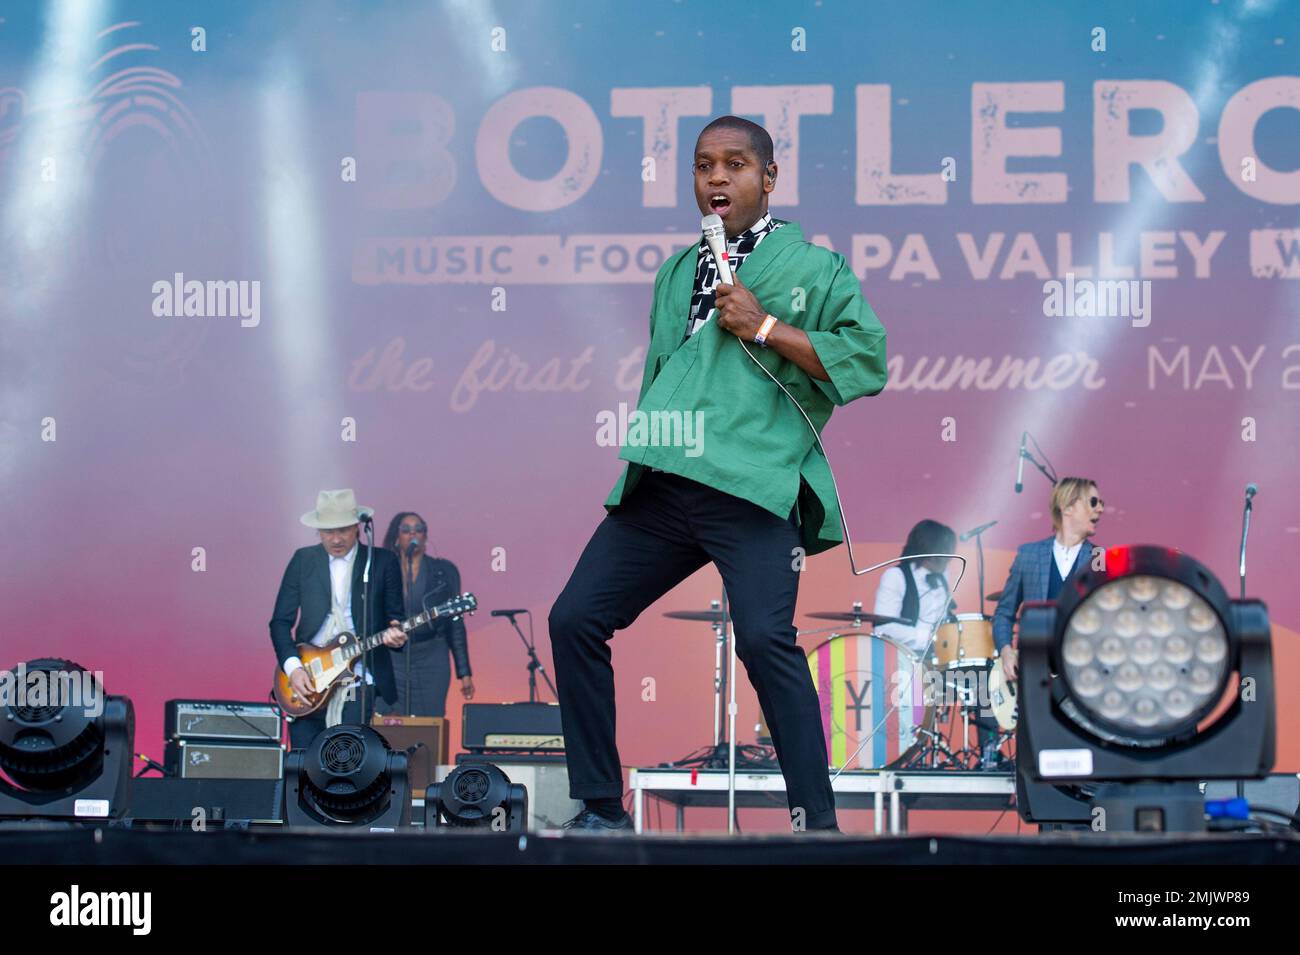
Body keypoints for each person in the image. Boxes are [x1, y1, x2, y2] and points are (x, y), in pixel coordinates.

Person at [548, 116, 888, 831]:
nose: (716, 179)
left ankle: (816, 823)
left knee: (766, 641)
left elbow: (868, 363)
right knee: (574, 617)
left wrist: (766, 326)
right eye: (704, 166)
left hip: (751, 487)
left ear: (768, 178)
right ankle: (603, 807)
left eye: (735, 165)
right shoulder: (678, 269)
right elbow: (661, 375)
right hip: (667, 482)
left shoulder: (816, 268)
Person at [269, 489, 407, 750]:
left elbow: (395, 619)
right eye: (328, 531)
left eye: (343, 530)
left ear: (357, 527)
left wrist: (396, 634)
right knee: (303, 759)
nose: (336, 538)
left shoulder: (381, 562)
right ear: (318, 531)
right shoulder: (303, 560)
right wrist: (293, 668)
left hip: (357, 674)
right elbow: (279, 622)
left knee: (347, 756)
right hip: (308, 674)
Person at [993, 477, 1105, 681]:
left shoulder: (1100, 558)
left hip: (1083, 677)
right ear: (1067, 507)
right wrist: (1006, 651)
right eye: (1093, 502)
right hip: (1034, 675)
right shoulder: (1029, 555)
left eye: (1101, 503)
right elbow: (1004, 612)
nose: (1100, 509)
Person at [380, 511, 474, 717]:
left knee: (429, 721)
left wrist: (464, 672)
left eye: (419, 529)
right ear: (396, 537)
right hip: (392, 658)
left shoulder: (444, 571)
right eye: (406, 530)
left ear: (426, 536)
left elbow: (456, 625)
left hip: (432, 655)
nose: (413, 533)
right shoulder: (383, 568)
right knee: (388, 720)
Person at [873, 520, 957, 657]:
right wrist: (929, 637)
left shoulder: (944, 575)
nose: (947, 560)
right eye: (942, 553)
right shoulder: (896, 577)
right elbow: (883, 629)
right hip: (905, 660)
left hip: (941, 658)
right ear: (926, 551)